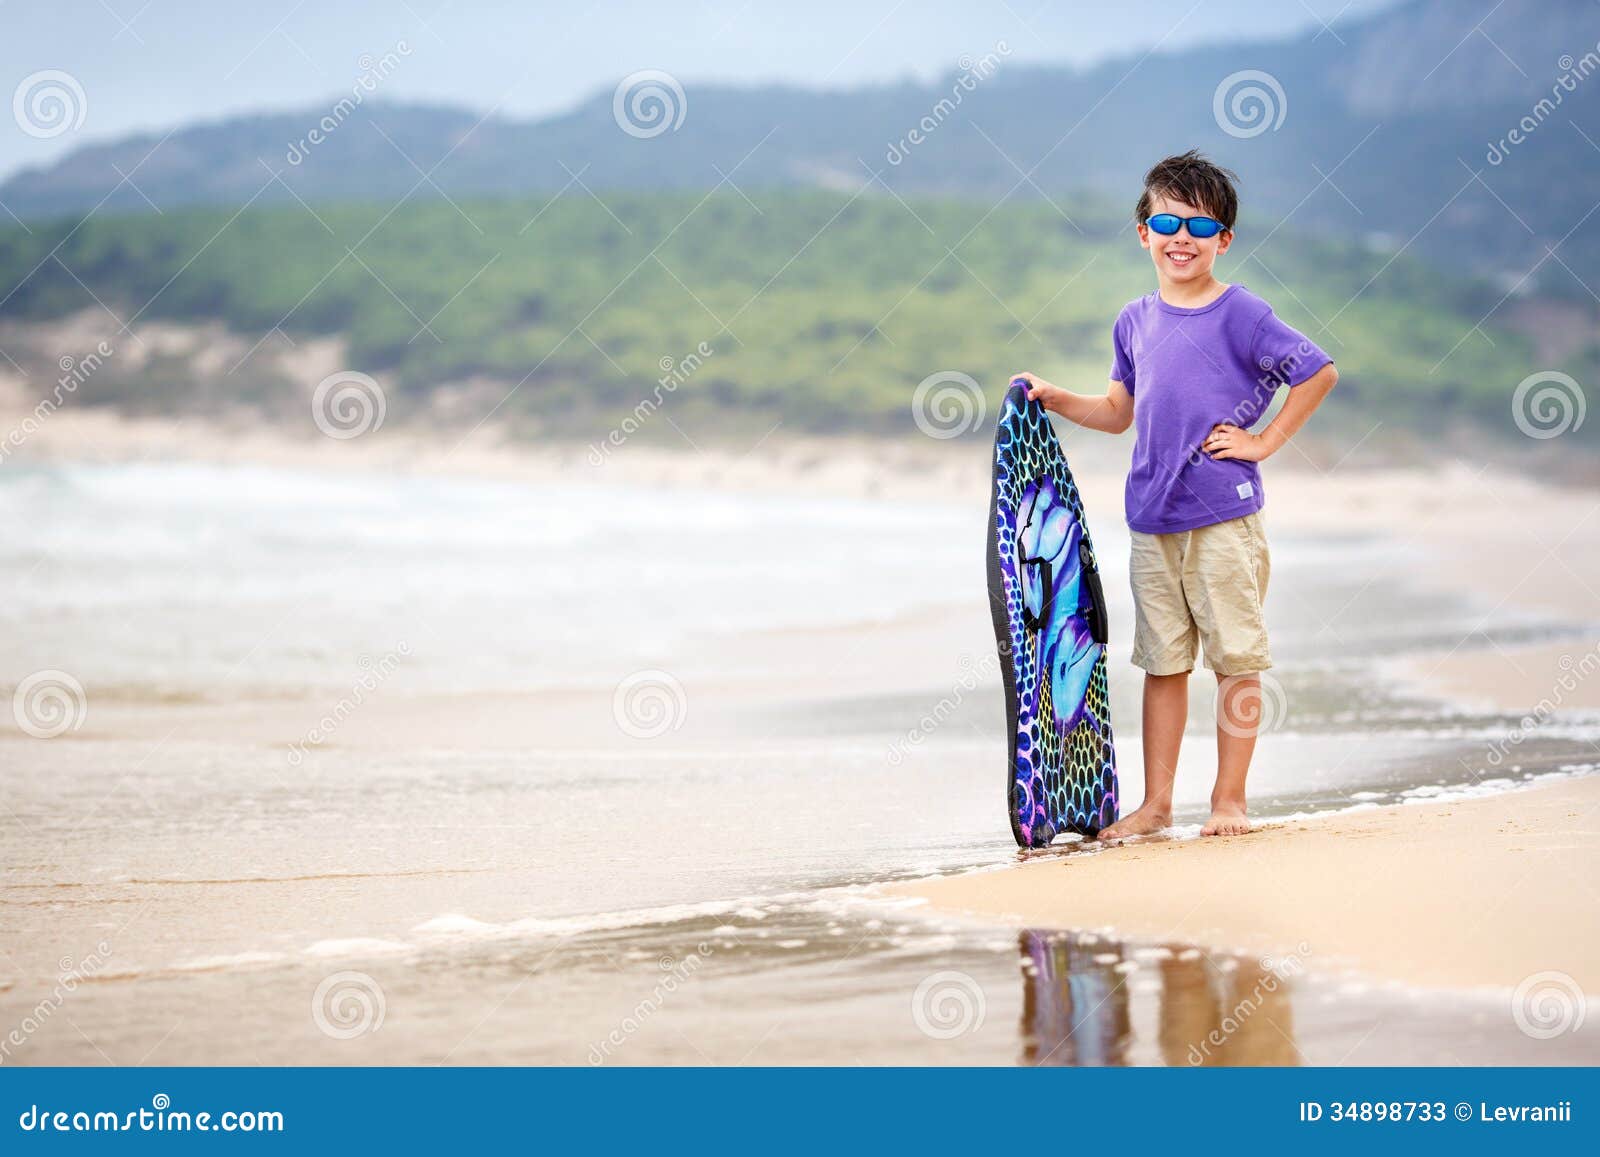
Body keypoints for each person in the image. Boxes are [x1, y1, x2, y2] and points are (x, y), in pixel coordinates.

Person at [1013, 150, 1338, 838]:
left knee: (1235, 660)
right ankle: (1157, 805)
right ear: (1143, 233)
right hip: (1152, 518)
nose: (1180, 235)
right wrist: (1057, 398)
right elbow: (1117, 411)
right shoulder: (1134, 320)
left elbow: (1316, 371)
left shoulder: (1241, 312)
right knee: (1163, 664)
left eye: (1199, 223)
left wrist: (1263, 440)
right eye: (1166, 219)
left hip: (1222, 516)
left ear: (1224, 238)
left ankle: (1229, 802)